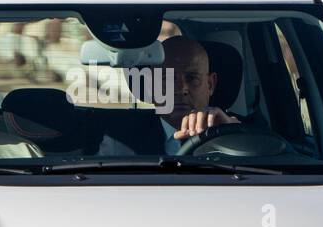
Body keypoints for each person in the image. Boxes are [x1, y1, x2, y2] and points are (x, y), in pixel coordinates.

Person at [99, 35, 241, 155]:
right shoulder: (121, 138)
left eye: (192, 78)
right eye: (167, 78)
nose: (181, 89)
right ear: (150, 85)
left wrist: (231, 134)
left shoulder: (237, 130)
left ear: (210, 84)